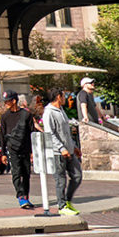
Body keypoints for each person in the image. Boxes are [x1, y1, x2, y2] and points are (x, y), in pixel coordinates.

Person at [39, 87, 81, 216]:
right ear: (58, 96)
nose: (65, 99)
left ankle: (67, 201)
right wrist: (61, 148)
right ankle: (61, 205)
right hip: (58, 152)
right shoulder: (48, 113)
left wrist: (72, 146)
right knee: (60, 180)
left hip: (69, 150)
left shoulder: (61, 110)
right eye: (63, 96)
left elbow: (66, 132)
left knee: (77, 176)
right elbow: (50, 133)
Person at [0, 91, 35, 209]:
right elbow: (2, 136)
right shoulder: (4, 117)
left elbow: (32, 134)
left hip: (25, 149)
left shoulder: (26, 115)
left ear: (14, 101)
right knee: (16, 172)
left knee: (26, 173)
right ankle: (21, 197)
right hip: (12, 149)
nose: (5, 104)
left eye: (7, 101)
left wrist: (33, 152)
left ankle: (26, 196)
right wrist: (3, 153)